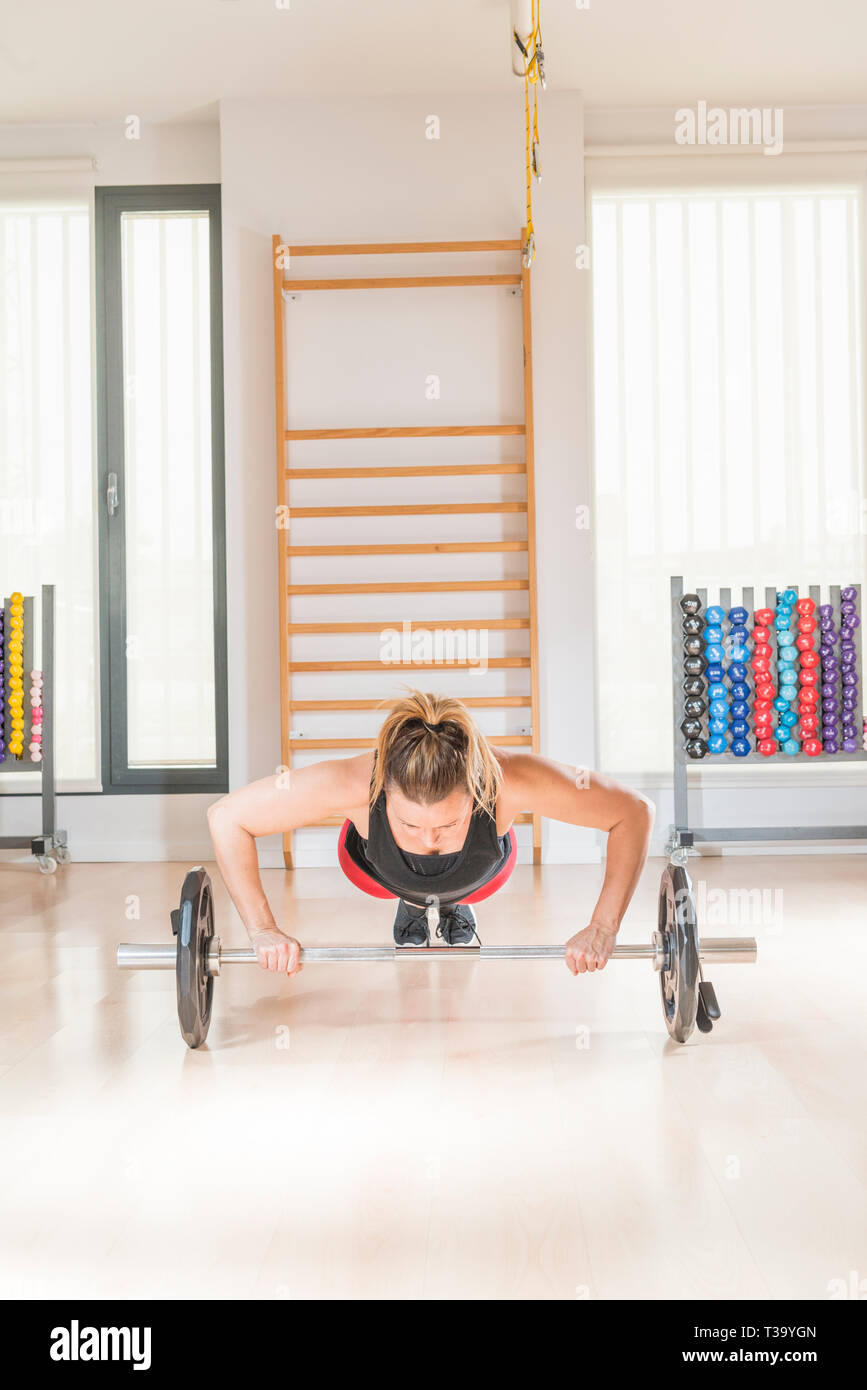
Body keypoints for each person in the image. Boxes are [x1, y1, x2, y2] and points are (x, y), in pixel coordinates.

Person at [207, 689, 654, 975]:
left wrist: (603, 926)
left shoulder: (510, 778)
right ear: (383, 786)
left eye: (447, 823)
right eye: (409, 823)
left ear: (477, 789)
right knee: (398, 875)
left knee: (466, 884)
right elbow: (227, 817)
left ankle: (453, 903)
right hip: (376, 874)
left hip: (481, 876)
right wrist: (262, 928)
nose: (427, 840)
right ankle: (410, 902)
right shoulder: (352, 781)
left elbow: (633, 812)